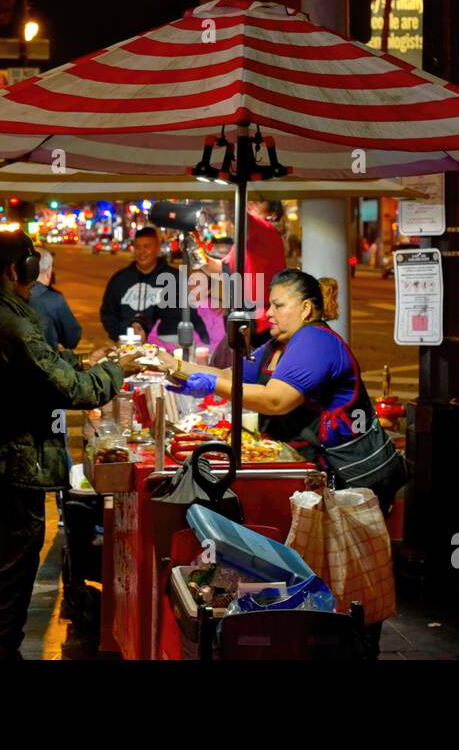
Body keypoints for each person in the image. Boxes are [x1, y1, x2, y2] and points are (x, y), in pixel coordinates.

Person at [158, 269, 403, 656]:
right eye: (268, 303)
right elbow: (231, 377)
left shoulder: (316, 342)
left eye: (278, 305)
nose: (268, 313)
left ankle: (350, 645)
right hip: (310, 471)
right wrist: (178, 369)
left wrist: (212, 386)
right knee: (310, 570)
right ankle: (306, 639)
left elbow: (275, 400)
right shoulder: (275, 344)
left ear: (306, 309)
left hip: (348, 478)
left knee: (345, 577)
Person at [0, 230, 146, 660]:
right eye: (30, 264)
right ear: (17, 268)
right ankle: (0, 647)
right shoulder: (10, 320)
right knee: (14, 561)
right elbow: (71, 389)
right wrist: (116, 371)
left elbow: (39, 362)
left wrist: (86, 361)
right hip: (11, 462)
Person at [197, 199, 288, 346]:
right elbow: (221, 268)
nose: (250, 202)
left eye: (259, 201)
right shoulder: (251, 240)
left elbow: (237, 216)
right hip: (248, 321)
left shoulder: (266, 230)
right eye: (248, 199)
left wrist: (230, 191)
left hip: (261, 324)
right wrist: (194, 251)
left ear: (272, 214)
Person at [100, 226, 205, 343]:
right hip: (128, 346)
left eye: (147, 247)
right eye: (138, 247)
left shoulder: (175, 279)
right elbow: (108, 312)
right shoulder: (120, 279)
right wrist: (119, 335)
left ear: (157, 248)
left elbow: (192, 313)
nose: (142, 252)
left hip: (164, 347)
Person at [28, 249, 81, 351]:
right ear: (48, 272)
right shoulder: (53, 300)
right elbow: (72, 338)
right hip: (46, 363)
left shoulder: (8, 294)